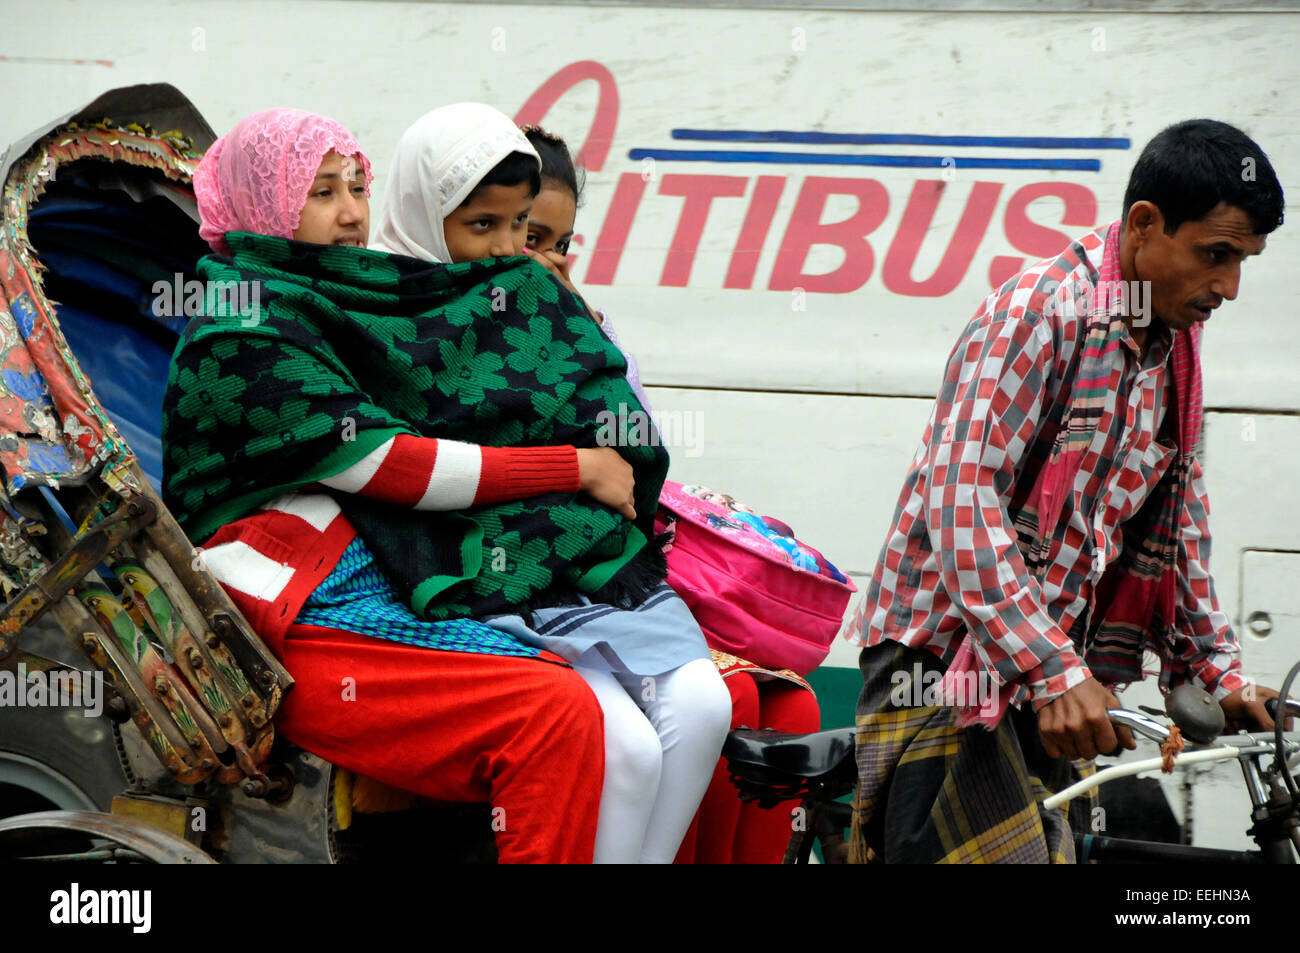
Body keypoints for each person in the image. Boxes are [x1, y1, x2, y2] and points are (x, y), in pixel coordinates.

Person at [161, 107, 608, 864]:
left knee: (629, 696)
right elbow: (393, 465)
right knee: (553, 710)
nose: (350, 213)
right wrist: (576, 467)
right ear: (265, 206)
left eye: (358, 186)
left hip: (376, 582)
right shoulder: (239, 326)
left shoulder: (358, 303)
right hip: (283, 614)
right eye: (322, 191)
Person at [850, 118, 1290, 864]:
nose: (1229, 287)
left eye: (1244, 260)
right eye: (1215, 255)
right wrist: (1052, 671)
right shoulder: (1040, 312)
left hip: (1048, 673)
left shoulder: (1172, 348)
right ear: (1144, 225)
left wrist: (1219, 671)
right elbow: (961, 498)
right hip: (945, 670)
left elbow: (1177, 525)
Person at [369, 102, 731, 864]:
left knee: (705, 706)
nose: (509, 250)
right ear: (422, 215)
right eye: (487, 228)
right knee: (625, 748)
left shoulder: (548, 309)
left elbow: (632, 443)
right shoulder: (381, 312)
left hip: (580, 569)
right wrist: (571, 467)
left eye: (524, 229)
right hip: (470, 576)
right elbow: (412, 468)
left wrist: (567, 320)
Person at [520, 123, 823, 863]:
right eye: (526, 235)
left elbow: (642, 463)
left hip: (611, 579)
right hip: (522, 585)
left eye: (560, 244)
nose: (545, 261)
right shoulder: (450, 325)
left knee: (784, 703)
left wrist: (585, 340)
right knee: (691, 718)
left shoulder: (591, 330)